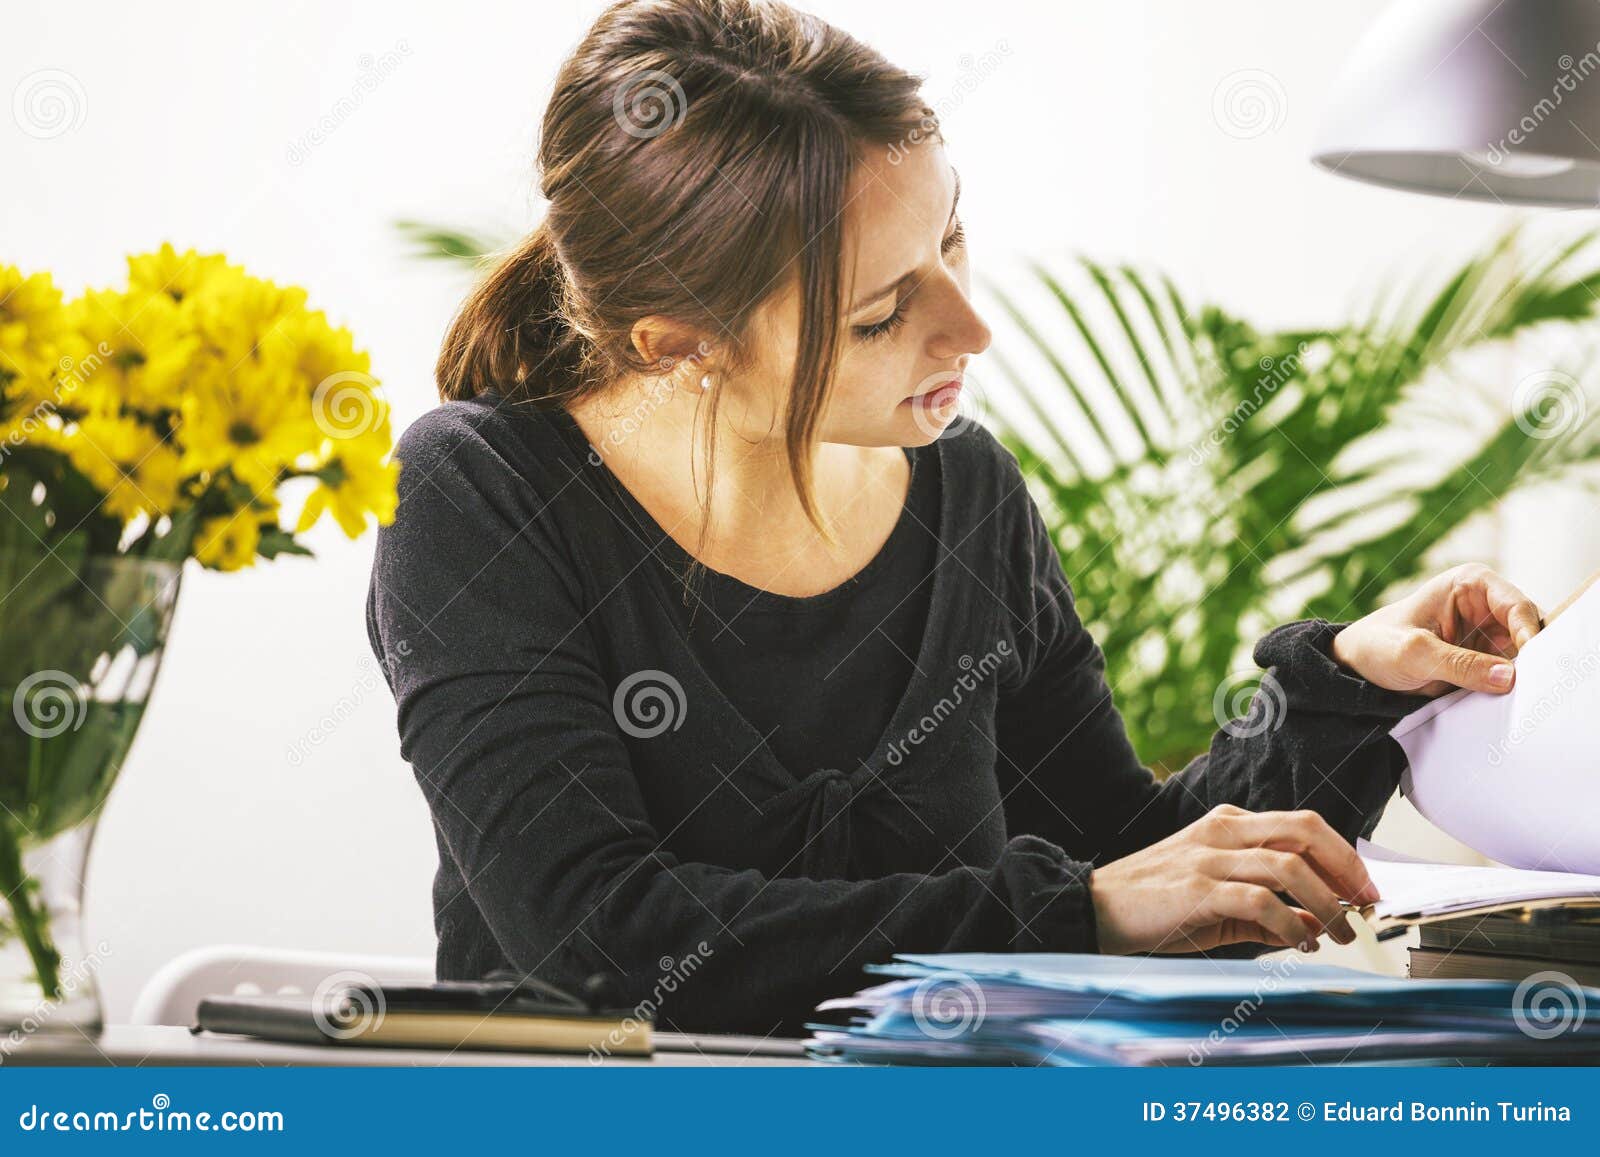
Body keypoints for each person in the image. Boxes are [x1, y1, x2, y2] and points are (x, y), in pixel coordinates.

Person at [366, 0, 1544, 1035]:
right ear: (685, 350)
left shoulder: (962, 491)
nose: (969, 326)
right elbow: (597, 936)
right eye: (881, 313)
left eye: (949, 237)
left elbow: (1127, 855)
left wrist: (1345, 680)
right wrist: (1079, 910)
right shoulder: (482, 495)